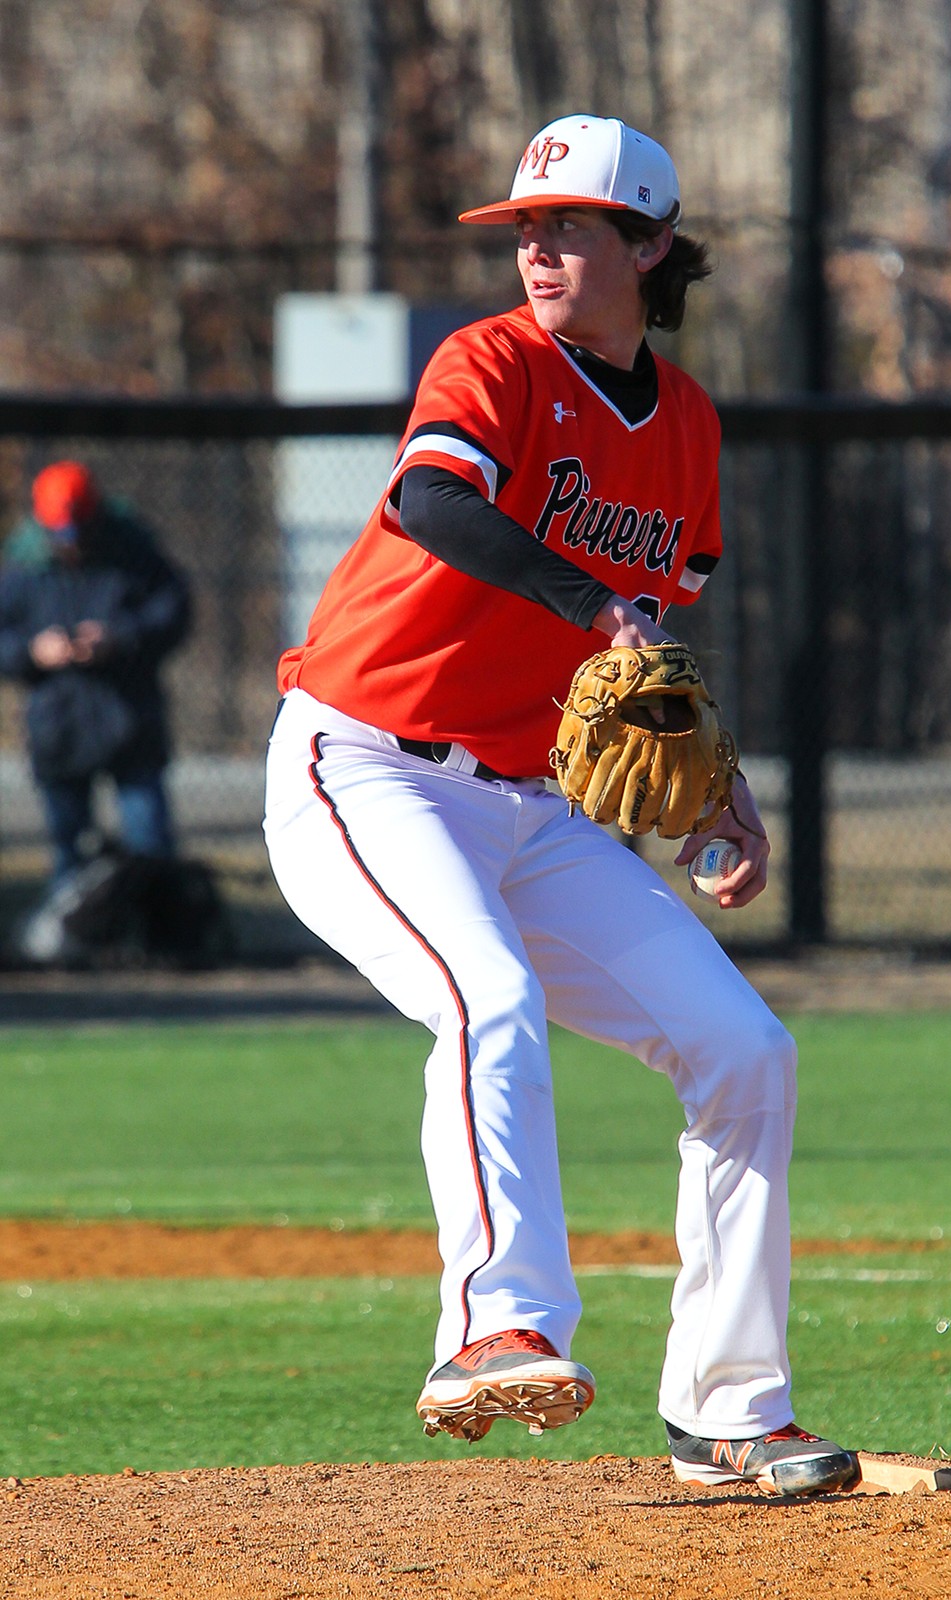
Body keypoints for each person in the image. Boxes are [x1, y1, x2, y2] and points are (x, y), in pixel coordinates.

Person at [264, 114, 858, 1497]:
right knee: (487, 998)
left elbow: (650, 650)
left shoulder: (686, 424)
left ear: (648, 246)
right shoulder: (491, 361)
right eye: (524, 230)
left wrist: (720, 791)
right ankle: (493, 1325)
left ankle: (726, 1410)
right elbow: (432, 502)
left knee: (744, 1050)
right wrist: (593, 605)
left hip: (531, 808)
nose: (535, 251)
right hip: (366, 763)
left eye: (568, 229)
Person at [0, 461, 192, 885]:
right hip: (59, 728)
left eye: (79, 533)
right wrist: (33, 651)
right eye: (59, 536)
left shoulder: (134, 553)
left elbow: (173, 612)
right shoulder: (22, 567)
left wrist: (119, 638)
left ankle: (157, 924)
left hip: (130, 723)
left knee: (150, 850)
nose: (70, 545)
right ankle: (76, 928)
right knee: (70, 857)